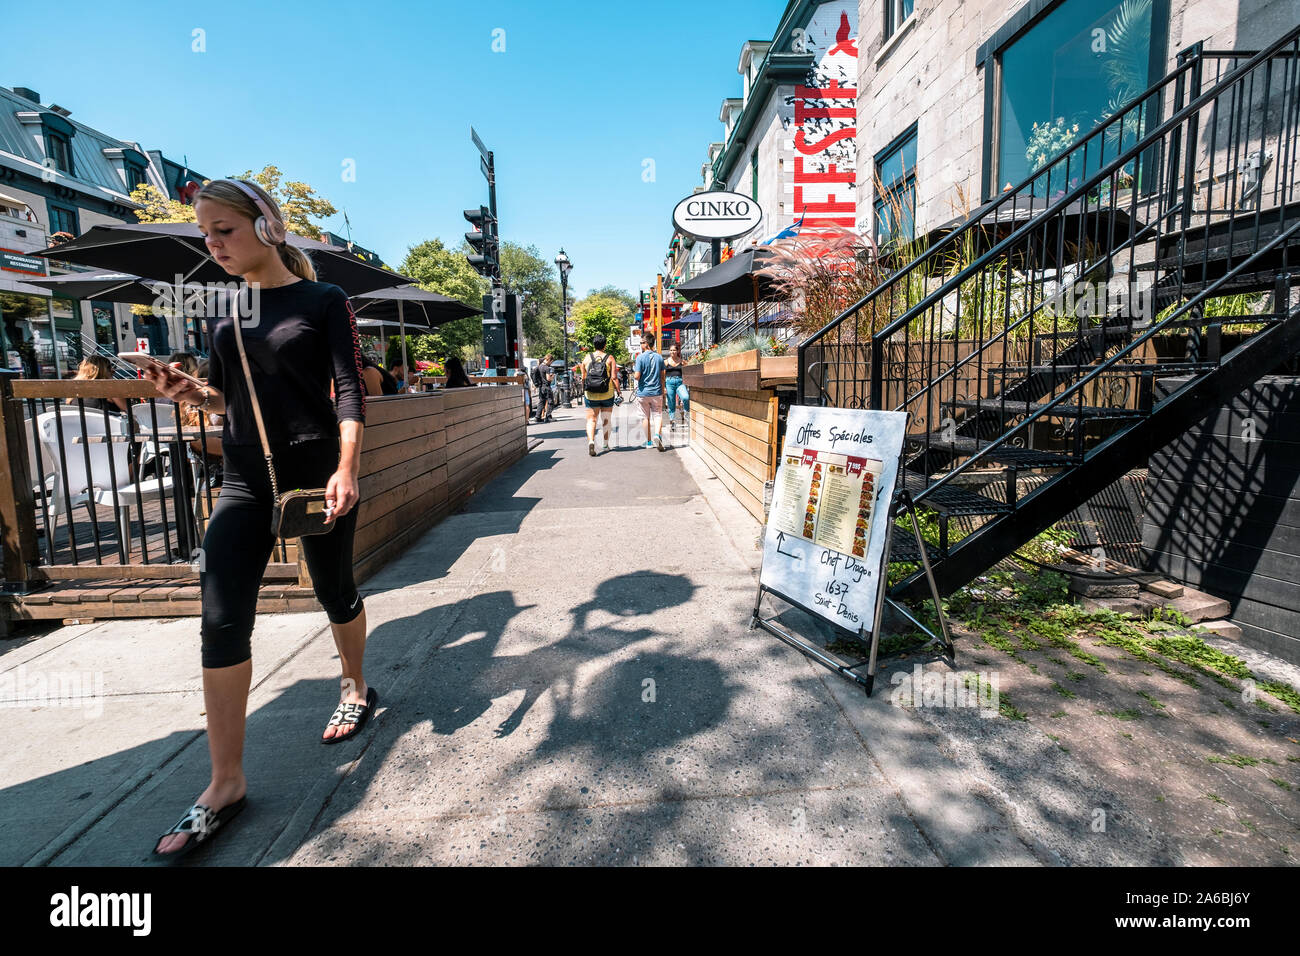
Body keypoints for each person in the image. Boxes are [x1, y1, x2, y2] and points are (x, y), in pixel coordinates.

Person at [143, 177, 374, 858]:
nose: (213, 244)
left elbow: (350, 390)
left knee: (333, 589)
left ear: (268, 227)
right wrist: (189, 392)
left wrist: (346, 467)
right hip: (243, 479)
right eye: (205, 234)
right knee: (220, 616)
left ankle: (356, 684)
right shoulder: (223, 315)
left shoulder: (323, 300)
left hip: (314, 474)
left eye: (225, 229)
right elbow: (227, 401)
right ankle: (225, 783)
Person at [581, 334, 618, 456]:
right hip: (607, 394)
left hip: (591, 395)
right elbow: (613, 377)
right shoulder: (610, 358)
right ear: (605, 345)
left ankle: (591, 441)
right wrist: (619, 392)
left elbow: (583, 378)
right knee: (606, 420)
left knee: (591, 420)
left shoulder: (586, 358)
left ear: (594, 345)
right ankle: (606, 444)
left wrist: (584, 391)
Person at [634, 331, 666, 451]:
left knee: (645, 418)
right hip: (656, 392)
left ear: (647, 344)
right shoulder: (659, 357)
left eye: (642, 342)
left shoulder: (640, 358)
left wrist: (634, 374)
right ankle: (657, 435)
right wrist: (662, 391)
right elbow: (663, 376)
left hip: (643, 393)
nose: (641, 345)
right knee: (657, 415)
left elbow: (637, 376)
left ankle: (648, 442)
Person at [664, 342, 688, 429]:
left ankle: (686, 414)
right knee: (671, 402)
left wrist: (687, 383)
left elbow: (688, 372)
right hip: (669, 382)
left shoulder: (682, 361)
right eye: (671, 350)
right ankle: (672, 420)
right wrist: (663, 387)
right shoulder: (666, 362)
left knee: (685, 397)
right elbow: (662, 375)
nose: (672, 352)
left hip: (680, 382)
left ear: (677, 351)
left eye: (674, 350)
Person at [532, 353, 553, 423]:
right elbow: (548, 378)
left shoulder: (539, 366)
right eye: (551, 362)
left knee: (541, 402)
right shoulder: (546, 368)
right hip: (547, 387)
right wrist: (552, 376)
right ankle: (548, 417)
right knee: (550, 401)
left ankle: (537, 417)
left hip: (541, 387)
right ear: (549, 360)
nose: (551, 363)